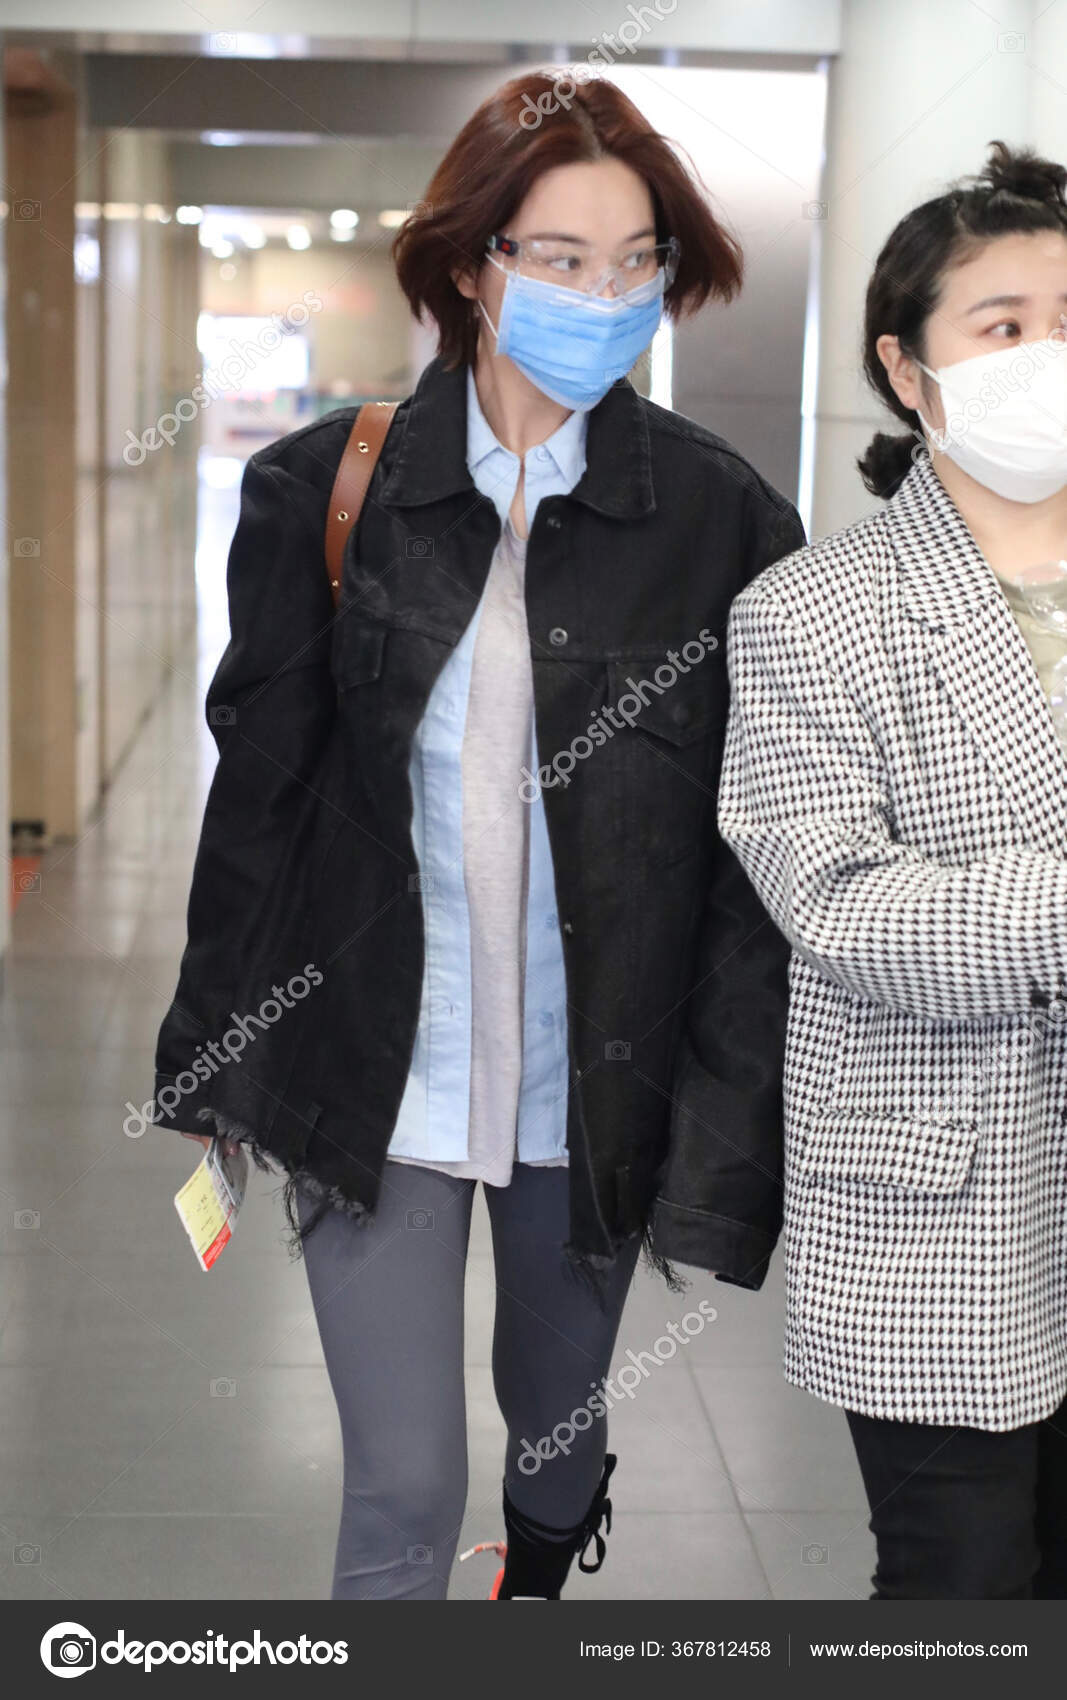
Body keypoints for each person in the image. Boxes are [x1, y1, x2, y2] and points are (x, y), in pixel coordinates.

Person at [152, 69, 803, 1601]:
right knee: (400, 1488)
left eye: (637, 262)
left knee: (552, 1445)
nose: (604, 293)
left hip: (594, 1085)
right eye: (560, 258)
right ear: (470, 267)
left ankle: (549, 1551)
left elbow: (740, 865)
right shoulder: (326, 490)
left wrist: (728, 1113)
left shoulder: (722, 522)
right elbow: (264, 796)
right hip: (375, 1066)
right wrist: (211, 1049)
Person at [717, 141, 1067, 1600]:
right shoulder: (812, 611)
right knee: (961, 1585)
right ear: (908, 368)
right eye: (1005, 327)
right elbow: (839, 901)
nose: (1050, 357)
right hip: (950, 1183)